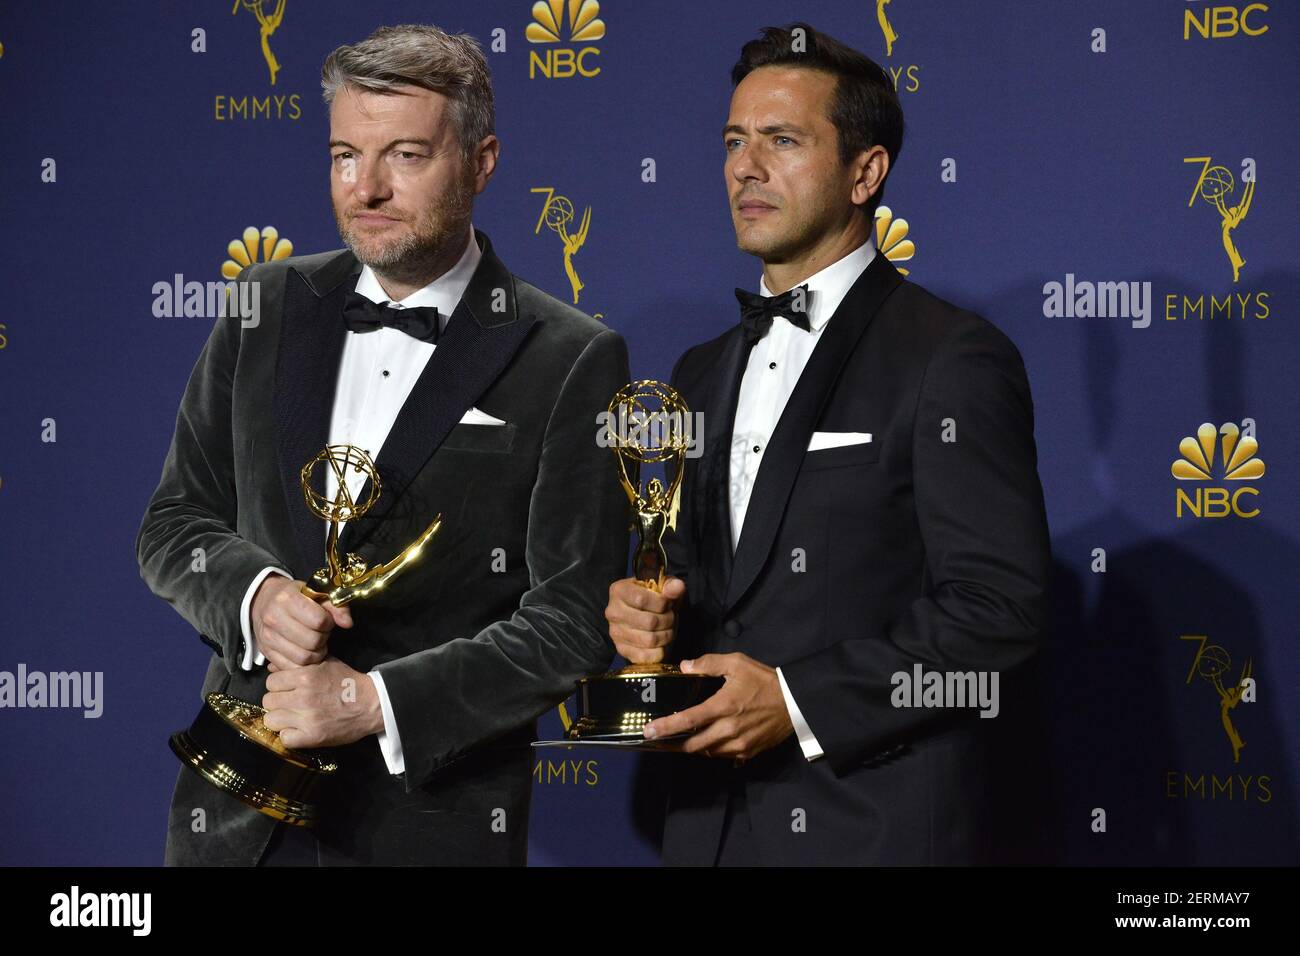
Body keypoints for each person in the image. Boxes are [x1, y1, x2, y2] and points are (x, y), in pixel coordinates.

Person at [137, 23, 629, 865]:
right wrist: (255, 600)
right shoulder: (263, 305)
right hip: (232, 828)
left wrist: (372, 701)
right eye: (342, 156)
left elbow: (573, 621)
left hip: (426, 828)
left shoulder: (571, 354)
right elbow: (174, 525)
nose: (364, 188)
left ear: (482, 160)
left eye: (404, 155)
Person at [604, 23, 1050, 865]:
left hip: (872, 832)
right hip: (705, 832)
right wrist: (642, 621)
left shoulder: (949, 356)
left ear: (865, 172)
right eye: (734, 141)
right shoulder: (698, 371)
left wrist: (796, 699)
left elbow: (1001, 615)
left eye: (783, 140)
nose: (746, 166)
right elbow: (702, 589)